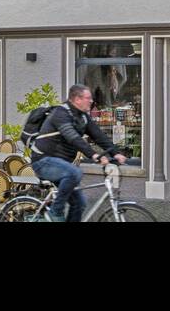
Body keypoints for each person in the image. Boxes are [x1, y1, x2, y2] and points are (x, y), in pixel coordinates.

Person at [29, 84, 127, 222]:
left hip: (61, 165)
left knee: (79, 204)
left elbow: (99, 136)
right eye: (88, 98)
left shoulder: (83, 117)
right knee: (74, 173)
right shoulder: (60, 113)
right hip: (43, 161)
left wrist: (115, 153)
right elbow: (72, 137)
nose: (91, 101)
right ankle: (55, 213)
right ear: (77, 99)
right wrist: (93, 155)